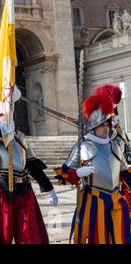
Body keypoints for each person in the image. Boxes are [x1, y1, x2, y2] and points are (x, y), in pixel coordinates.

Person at [0, 76, 57, 244]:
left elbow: (32, 165)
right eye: (5, 113)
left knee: (28, 235)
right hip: (1, 189)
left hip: (24, 188)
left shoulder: (20, 136)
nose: (10, 114)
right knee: (0, 235)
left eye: (11, 111)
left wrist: (49, 188)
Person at [55, 93, 131, 244]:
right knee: (98, 238)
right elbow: (63, 174)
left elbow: (125, 173)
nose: (106, 127)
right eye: (102, 124)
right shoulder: (82, 146)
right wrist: (77, 173)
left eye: (107, 124)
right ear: (93, 127)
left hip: (116, 199)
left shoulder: (115, 146)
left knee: (120, 238)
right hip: (93, 200)